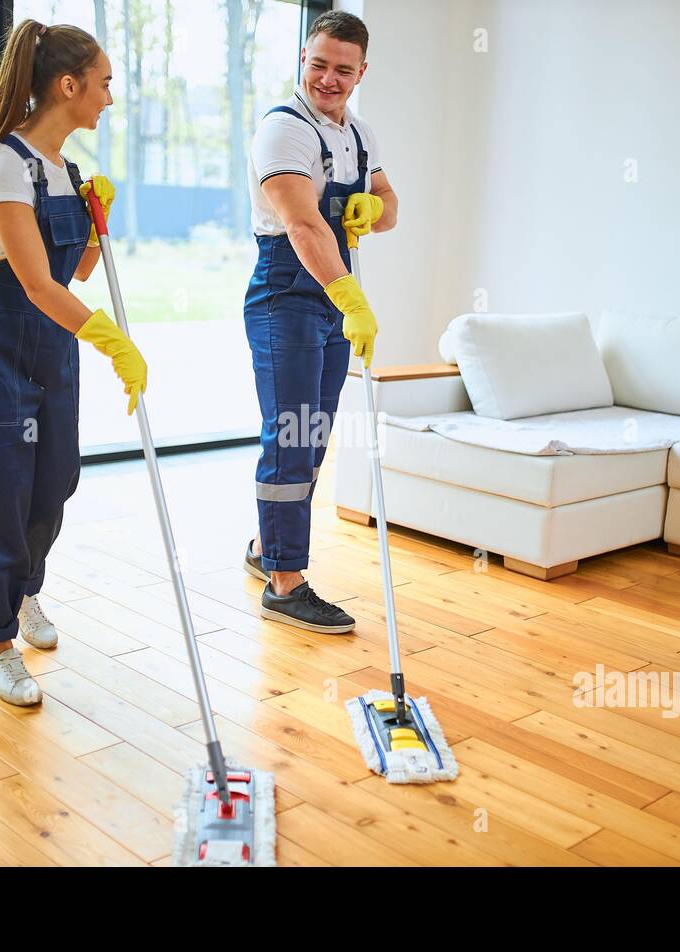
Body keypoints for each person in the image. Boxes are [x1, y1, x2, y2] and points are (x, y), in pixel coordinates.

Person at [0, 20, 147, 705]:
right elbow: (32, 283)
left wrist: (96, 221)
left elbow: (73, 273)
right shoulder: (5, 164)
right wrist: (114, 340)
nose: (110, 98)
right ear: (68, 85)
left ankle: (24, 593)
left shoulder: (66, 170)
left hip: (51, 345)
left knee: (51, 485)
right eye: (105, 83)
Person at [242, 10, 397, 633]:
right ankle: (285, 584)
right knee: (291, 433)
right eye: (318, 65)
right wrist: (351, 297)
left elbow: (389, 205)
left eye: (342, 69)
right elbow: (304, 226)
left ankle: (266, 548)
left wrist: (372, 205)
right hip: (287, 292)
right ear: (301, 62)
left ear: (362, 72)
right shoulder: (283, 131)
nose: (328, 79)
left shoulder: (359, 134)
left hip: (331, 298)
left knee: (313, 435)